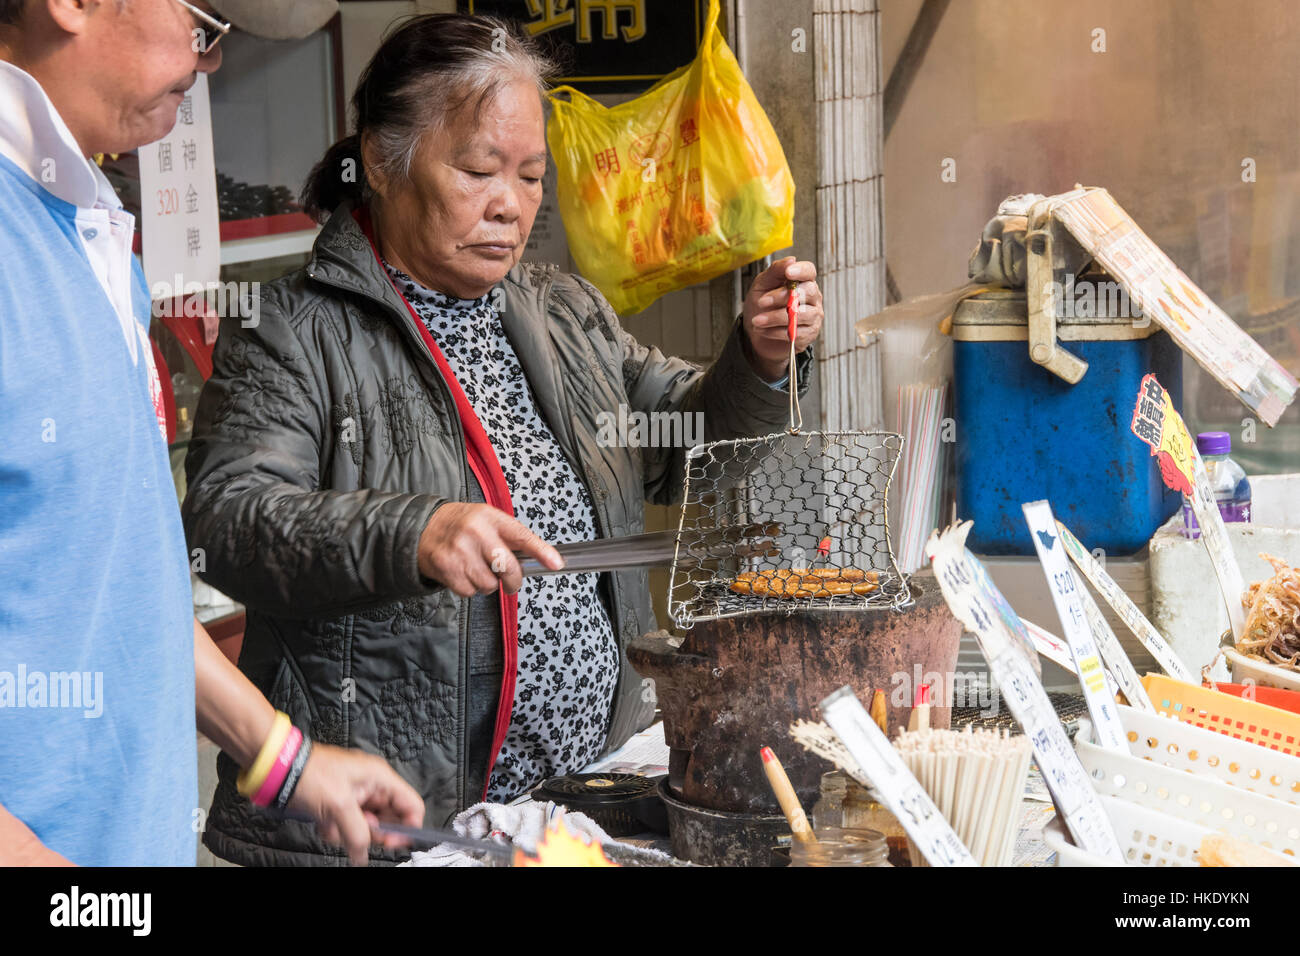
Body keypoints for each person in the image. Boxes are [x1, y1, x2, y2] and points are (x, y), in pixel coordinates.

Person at [182, 13, 824, 866]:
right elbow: (228, 519)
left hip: (576, 800)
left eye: (529, 177)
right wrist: (412, 532)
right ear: (380, 160)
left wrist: (758, 358)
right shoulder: (294, 331)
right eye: (478, 169)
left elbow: (686, 444)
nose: (510, 205)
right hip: (395, 829)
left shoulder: (563, 311)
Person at [0, 0, 422, 867]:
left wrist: (284, 759)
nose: (214, 62)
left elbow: (121, 587)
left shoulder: (94, 236)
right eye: (202, 20)